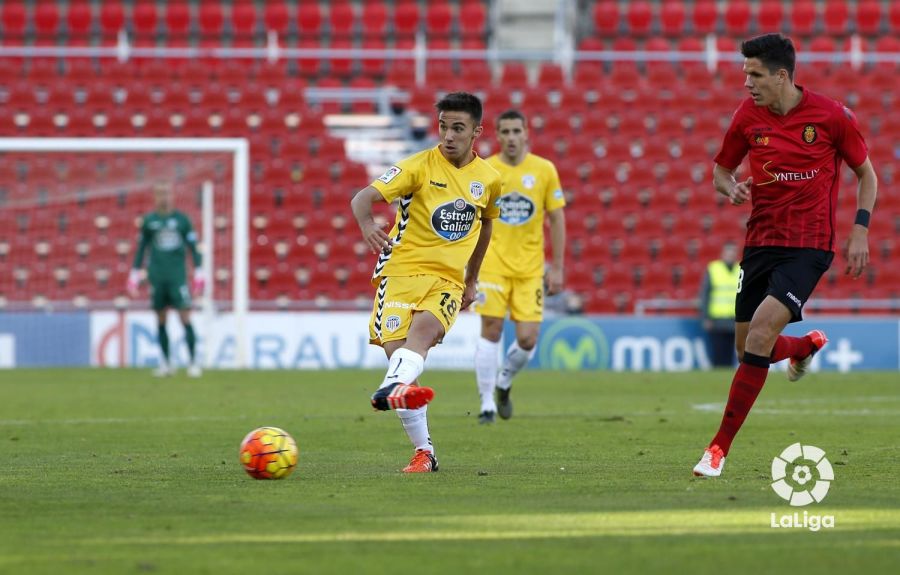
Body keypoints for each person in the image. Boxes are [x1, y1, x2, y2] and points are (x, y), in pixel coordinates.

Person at [693, 33, 877, 477]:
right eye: (744, 75)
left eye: (754, 75)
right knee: (747, 349)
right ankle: (804, 345)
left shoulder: (832, 116)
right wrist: (730, 187)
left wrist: (860, 229)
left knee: (757, 338)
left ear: (781, 76)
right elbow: (720, 171)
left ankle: (717, 449)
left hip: (808, 246)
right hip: (759, 243)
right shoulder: (747, 117)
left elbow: (866, 175)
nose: (747, 84)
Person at [350, 92, 502, 473]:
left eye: (458, 129)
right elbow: (362, 198)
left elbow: (486, 226)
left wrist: (472, 278)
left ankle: (392, 388)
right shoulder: (417, 167)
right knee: (403, 359)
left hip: (447, 280)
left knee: (423, 335)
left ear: (476, 132)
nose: (448, 136)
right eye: (443, 127)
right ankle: (425, 451)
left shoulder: (489, 179)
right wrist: (368, 224)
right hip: (399, 274)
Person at [472, 109, 566, 424]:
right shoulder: (487, 170)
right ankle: (486, 405)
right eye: (505, 132)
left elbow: (556, 218)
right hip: (493, 265)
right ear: (497, 136)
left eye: (516, 131)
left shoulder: (544, 170)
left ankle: (503, 383)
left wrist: (558, 268)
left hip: (529, 270)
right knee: (491, 330)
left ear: (526, 132)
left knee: (527, 339)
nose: (511, 138)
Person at [127, 183, 206, 377]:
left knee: (185, 316)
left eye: (167, 193)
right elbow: (141, 248)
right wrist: (135, 273)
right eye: (161, 193)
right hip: (157, 277)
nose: (165, 197)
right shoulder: (149, 221)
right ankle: (166, 363)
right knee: (160, 319)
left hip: (177, 277)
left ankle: (193, 362)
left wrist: (199, 272)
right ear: (155, 197)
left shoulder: (182, 220)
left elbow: (193, 248)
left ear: (173, 195)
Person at [699, 241, 740, 368]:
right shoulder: (713, 269)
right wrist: (706, 317)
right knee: (718, 353)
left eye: (733, 253)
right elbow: (705, 295)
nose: (730, 256)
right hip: (717, 319)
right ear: (722, 254)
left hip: (736, 319)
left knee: (732, 354)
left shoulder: (741, 268)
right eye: (728, 253)